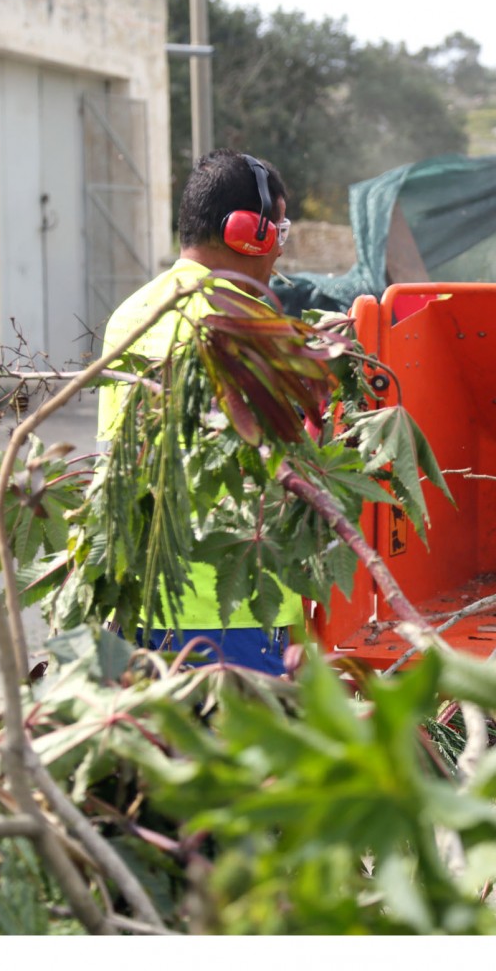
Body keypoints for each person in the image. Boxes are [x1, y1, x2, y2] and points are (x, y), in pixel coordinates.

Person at [97, 149, 304, 674]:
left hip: (138, 601)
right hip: (231, 611)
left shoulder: (130, 314)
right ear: (247, 233)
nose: (278, 253)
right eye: (278, 233)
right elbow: (291, 471)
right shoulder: (251, 324)